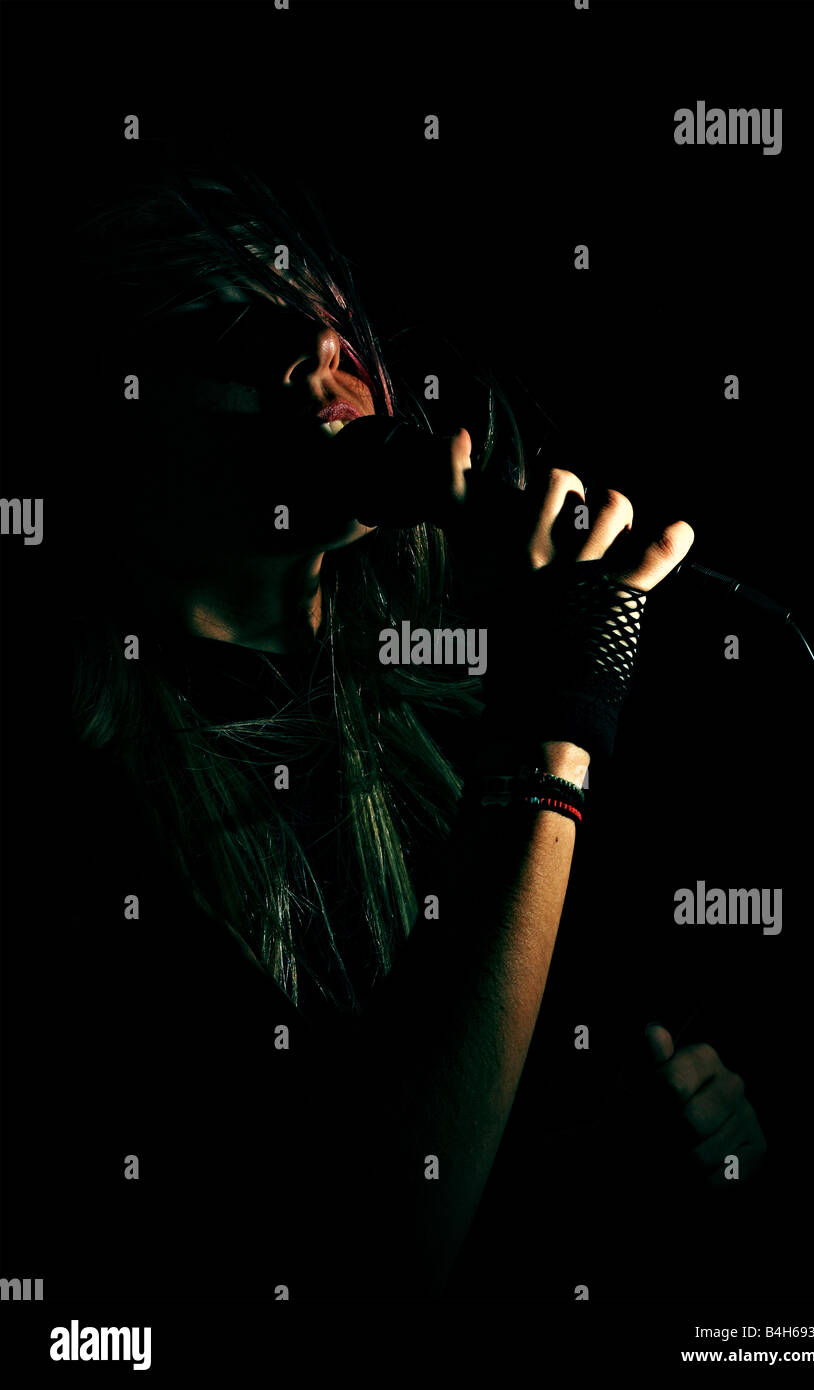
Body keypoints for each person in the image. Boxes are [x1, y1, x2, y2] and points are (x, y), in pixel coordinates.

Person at [43, 155, 768, 1301]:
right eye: (227, 324)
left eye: (324, 322)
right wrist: (549, 738)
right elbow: (359, 1262)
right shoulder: (76, 795)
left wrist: (693, 1140)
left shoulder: (442, 712)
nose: (315, 353)